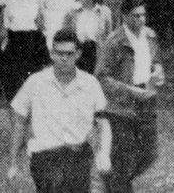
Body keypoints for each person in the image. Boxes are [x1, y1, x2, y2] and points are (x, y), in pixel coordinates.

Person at [7, 29, 112, 193]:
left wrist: (104, 152)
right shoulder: (36, 82)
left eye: (69, 54)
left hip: (78, 157)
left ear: (78, 54)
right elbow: (19, 119)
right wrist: (13, 162)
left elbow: (103, 122)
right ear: (51, 53)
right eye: (59, 53)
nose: (64, 58)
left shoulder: (90, 84)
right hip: (45, 157)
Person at [94, 0, 164, 193]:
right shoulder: (115, 41)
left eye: (143, 15)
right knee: (123, 156)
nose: (141, 20)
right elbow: (101, 77)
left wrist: (158, 70)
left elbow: (156, 59)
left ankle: (113, 181)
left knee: (149, 152)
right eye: (136, 15)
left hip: (147, 98)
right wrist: (129, 90)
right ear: (124, 16)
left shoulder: (150, 35)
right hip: (122, 105)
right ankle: (118, 184)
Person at [0, 0, 49, 102]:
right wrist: (3, 38)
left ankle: (33, 98)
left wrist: (42, 35)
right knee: (14, 70)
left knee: (33, 70)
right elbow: (3, 21)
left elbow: (40, 19)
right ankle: (14, 98)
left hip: (31, 36)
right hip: (15, 37)